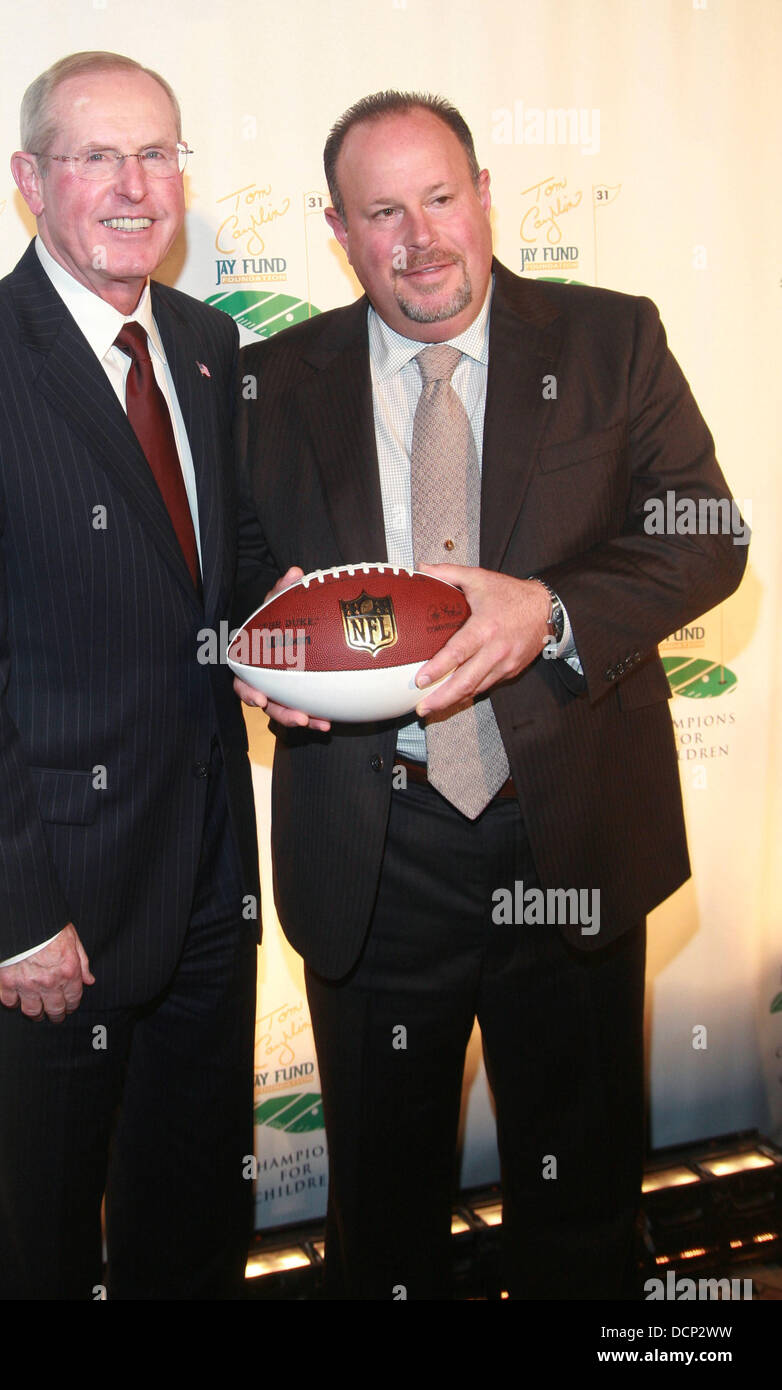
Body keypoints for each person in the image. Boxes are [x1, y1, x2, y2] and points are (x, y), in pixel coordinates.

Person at [234, 89, 746, 1299]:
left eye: (440, 198)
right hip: (374, 846)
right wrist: (263, 660)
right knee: (385, 1214)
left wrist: (549, 610)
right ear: (338, 231)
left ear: (483, 195)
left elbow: (705, 538)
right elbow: (235, 582)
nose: (420, 238)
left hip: (563, 827)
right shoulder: (267, 383)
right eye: (381, 212)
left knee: (582, 1208)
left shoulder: (612, 340)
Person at [0, 51, 259, 1300]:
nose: (136, 187)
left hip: (206, 889)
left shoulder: (205, 343)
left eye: (158, 154)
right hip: (49, 914)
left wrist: (295, 654)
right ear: (32, 180)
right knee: (39, 1252)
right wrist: (14, 914)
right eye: (98, 157)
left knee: (192, 1229)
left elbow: (224, 580)